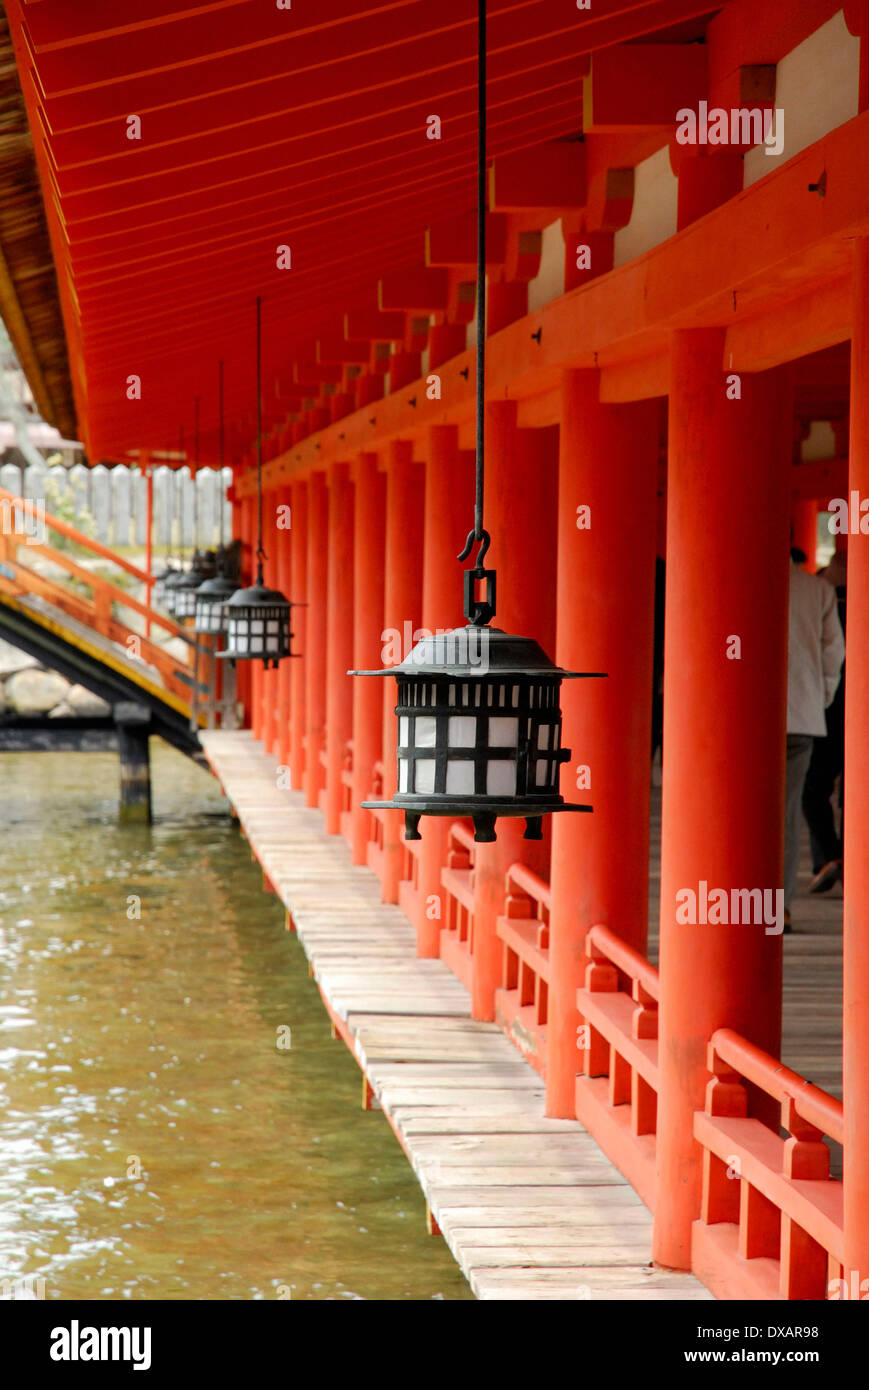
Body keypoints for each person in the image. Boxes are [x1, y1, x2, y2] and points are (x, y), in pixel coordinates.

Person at [784, 556, 845, 931]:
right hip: (801, 718)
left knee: (735, 817)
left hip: (737, 723)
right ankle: (778, 908)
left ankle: (734, 902)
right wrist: (817, 700)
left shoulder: (731, 578)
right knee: (786, 816)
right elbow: (833, 653)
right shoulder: (818, 590)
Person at [802, 545, 846, 893]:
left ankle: (829, 856)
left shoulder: (819, 595)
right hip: (848, 711)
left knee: (812, 787)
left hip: (823, 712)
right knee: (856, 793)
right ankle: (852, 860)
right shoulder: (823, 596)